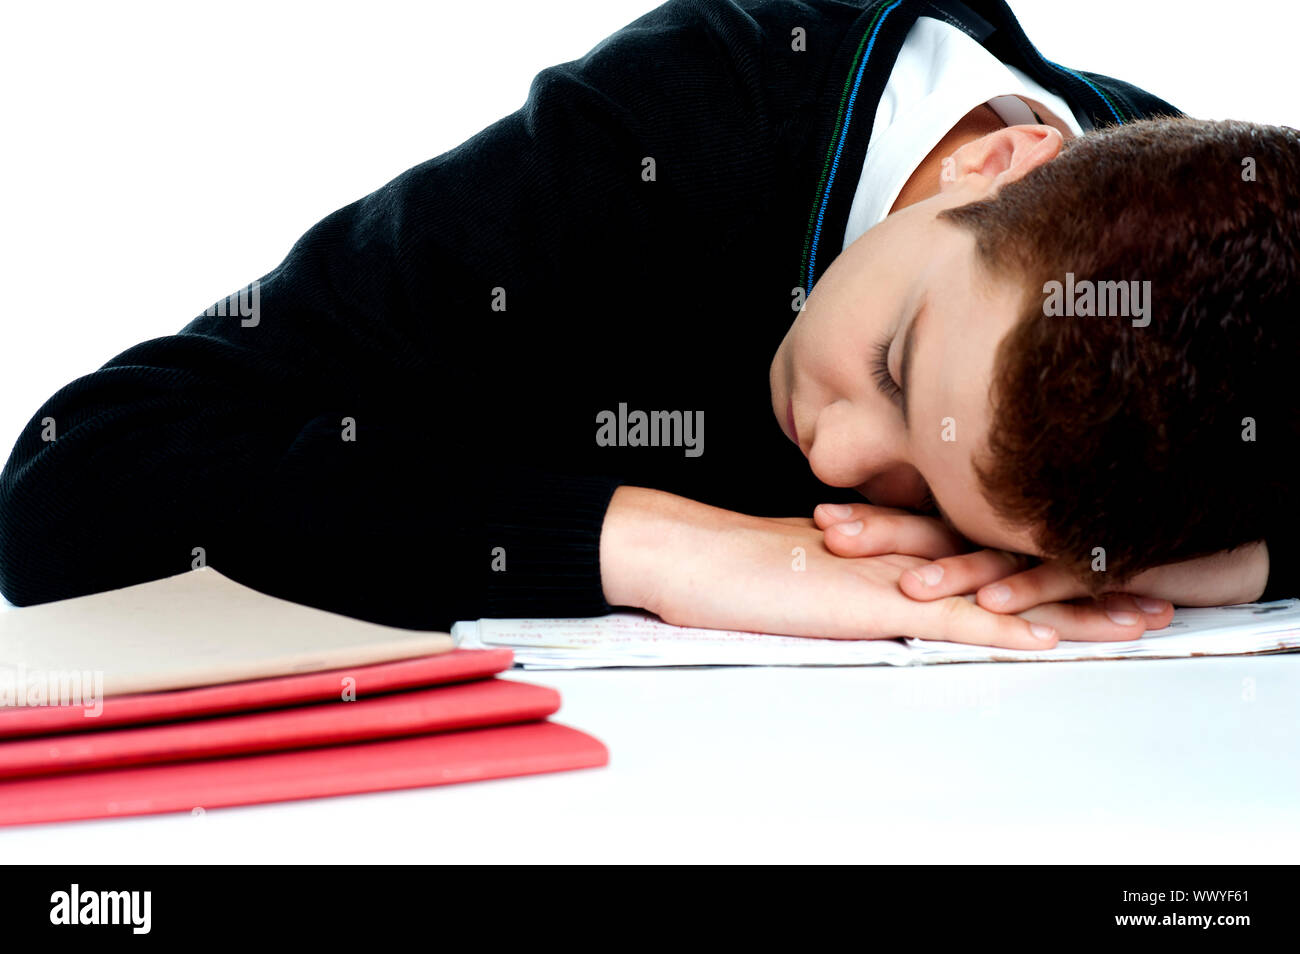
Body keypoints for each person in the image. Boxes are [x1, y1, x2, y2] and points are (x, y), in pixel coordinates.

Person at [0, 0, 1294, 651]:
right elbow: (76, 477)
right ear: (1000, 162)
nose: (841, 462)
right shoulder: (671, 136)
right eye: (896, 362)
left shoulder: (1210, 288)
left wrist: (1200, 564)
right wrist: (667, 548)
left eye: (939, 497)